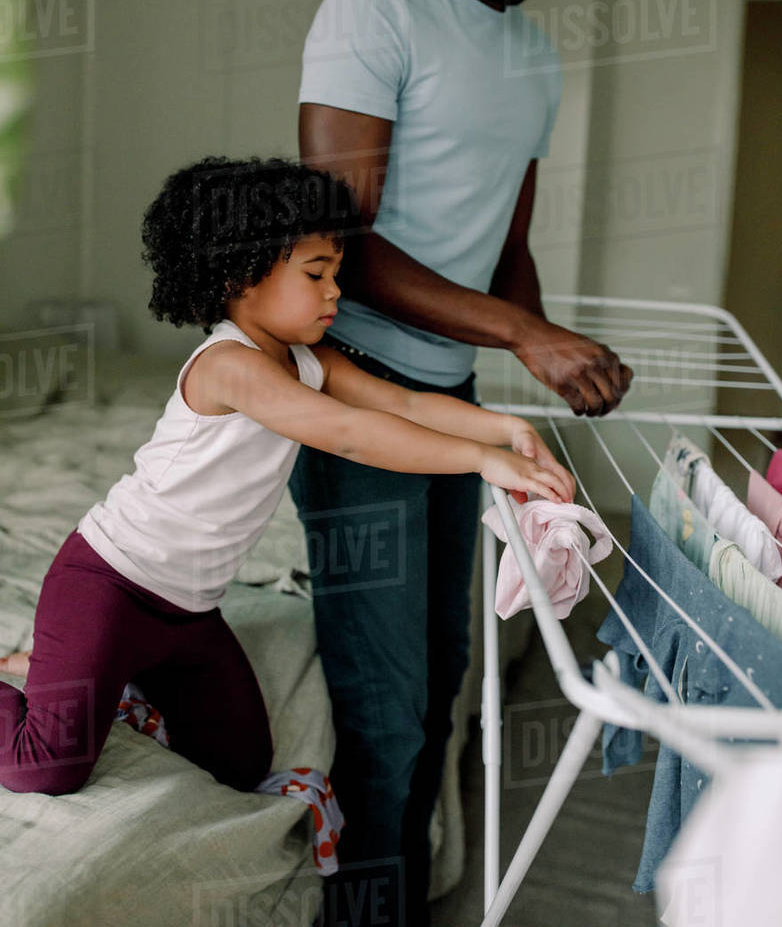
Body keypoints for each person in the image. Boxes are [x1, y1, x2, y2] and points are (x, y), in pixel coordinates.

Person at [291, 0, 633, 924]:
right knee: (387, 716)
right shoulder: (372, 7)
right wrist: (518, 330)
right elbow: (340, 245)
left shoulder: (534, 63)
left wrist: (537, 361)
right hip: (355, 389)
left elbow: (507, 247)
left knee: (439, 689)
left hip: (453, 401)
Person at [0, 156, 575, 812]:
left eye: (335, 272)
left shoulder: (304, 360)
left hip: (189, 610)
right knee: (45, 767)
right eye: (316, 274)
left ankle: (91, 674)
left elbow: (403, 406)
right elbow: (350, 433)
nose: (336, 291)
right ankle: (35, 672)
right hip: (109, 585)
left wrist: (503, 427)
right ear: (242, 275)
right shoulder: (227, 366)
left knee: (238, 762)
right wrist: (482, 461)